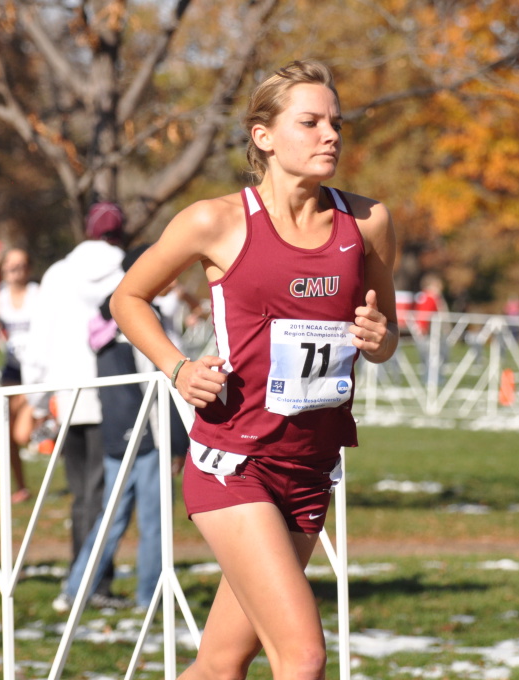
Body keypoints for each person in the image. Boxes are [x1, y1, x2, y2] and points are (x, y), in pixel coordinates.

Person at [110, 60, 398, 680]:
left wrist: (380, 338)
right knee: (303, 656)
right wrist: (177, 368)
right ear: (263, 136)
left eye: (336, 123)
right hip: (234, 464)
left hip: (310, 466)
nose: (330, 135)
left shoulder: (368, 222)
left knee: (220, 665)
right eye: (310, 122)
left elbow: (385, 335)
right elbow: (127, 298)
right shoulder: (214, 221)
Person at [53, 282, 188, 614]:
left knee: (109, 520)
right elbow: (160, 382)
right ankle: (150, 597)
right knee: (154, 523)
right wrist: (176, 441)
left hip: (115, 434)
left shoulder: (103, 322)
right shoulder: (142, 317)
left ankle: (75, 590)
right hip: (149, 435)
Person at [25, 201, 127, 602]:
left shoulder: (58, 274)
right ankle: (93, 580)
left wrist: (37, 399)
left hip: (68, 394)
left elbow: (38, 340)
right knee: (102, 494)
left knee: (82, 492)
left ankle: (80, 575)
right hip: (112, 392)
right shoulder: (125, 270)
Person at [0, 247, 37, 503]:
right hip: (13, 367)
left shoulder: (38, 294)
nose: (15, 270)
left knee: (21, 433)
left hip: (37, 369)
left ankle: (48, 430)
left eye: (20, 265)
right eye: (10, 265)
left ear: (28, 268)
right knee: (7, 432)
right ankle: (20, 486)